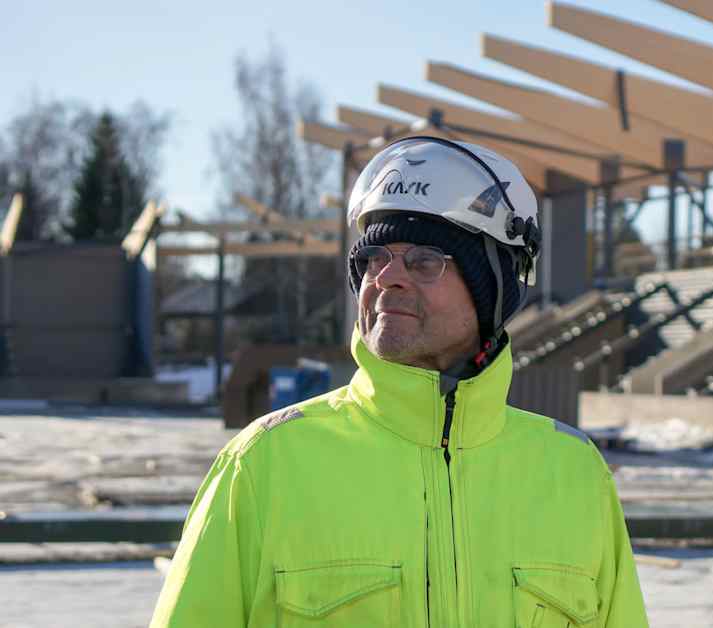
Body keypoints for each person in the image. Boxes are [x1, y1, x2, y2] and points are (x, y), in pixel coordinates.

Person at [150, 136, 649, 627]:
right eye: (373, 258)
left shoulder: (575, 475)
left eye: (425, 260)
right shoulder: (262, 467)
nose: (387, 277)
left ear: (493, 286)